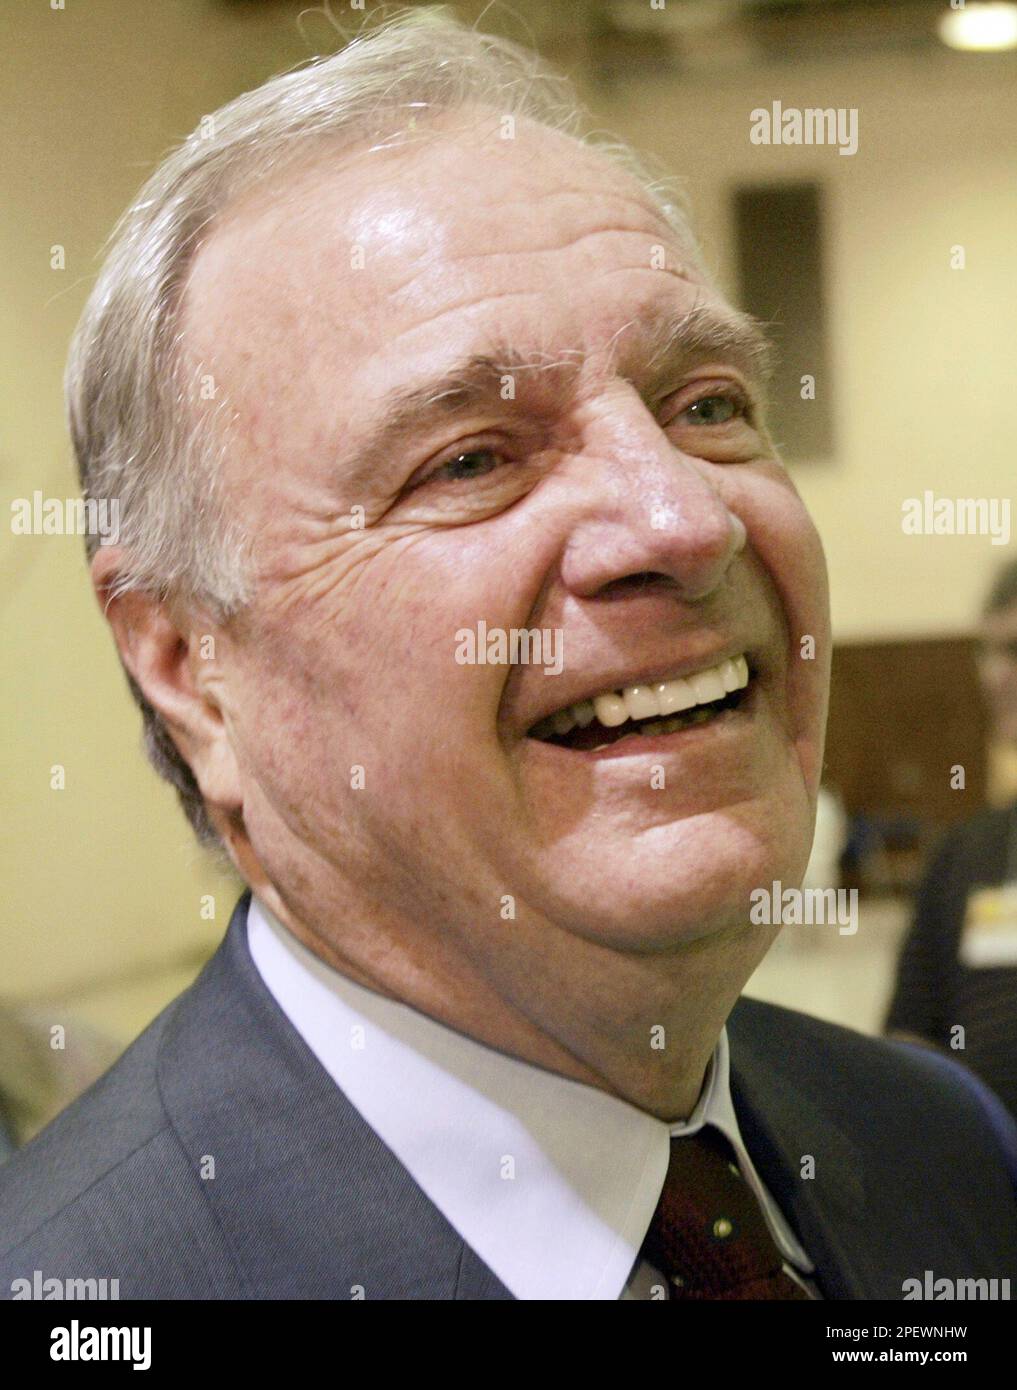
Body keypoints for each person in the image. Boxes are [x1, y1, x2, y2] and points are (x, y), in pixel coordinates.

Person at [2, 7, 1015, 1301]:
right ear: (190, 664)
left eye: (705, 406)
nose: (682, 518)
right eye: (471, 456)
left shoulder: (942, 1147)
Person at [885, 560, 1017, 1114]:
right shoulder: (968, 852)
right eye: (988, 652)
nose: (993, 677)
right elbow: (909, 1040)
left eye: (1015, 651)